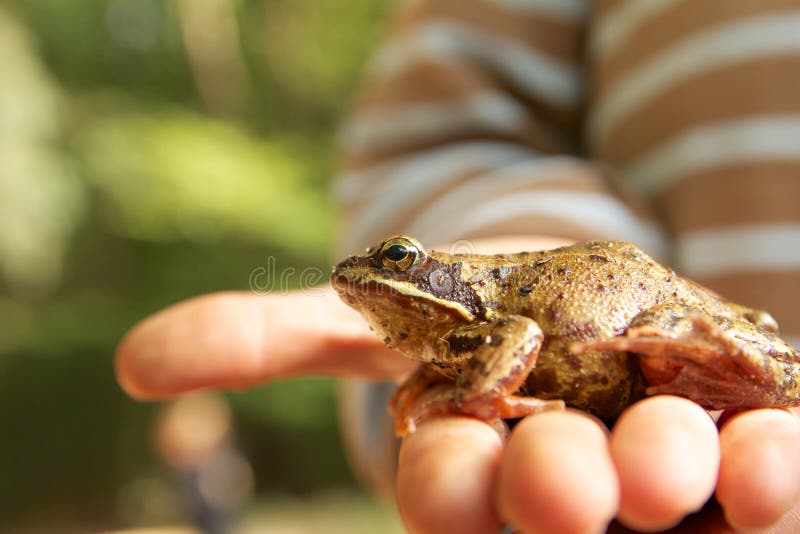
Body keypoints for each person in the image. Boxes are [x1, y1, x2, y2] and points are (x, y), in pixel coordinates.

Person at [117, 1, 800, 532]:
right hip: (642, 401)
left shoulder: (482, 332)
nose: (375, 271)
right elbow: (452, 131)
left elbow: (522, 337)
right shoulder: (457, 330)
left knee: (687, 354)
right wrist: (497, 227)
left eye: (400, 260)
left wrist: (461, 392)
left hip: (674, 329)